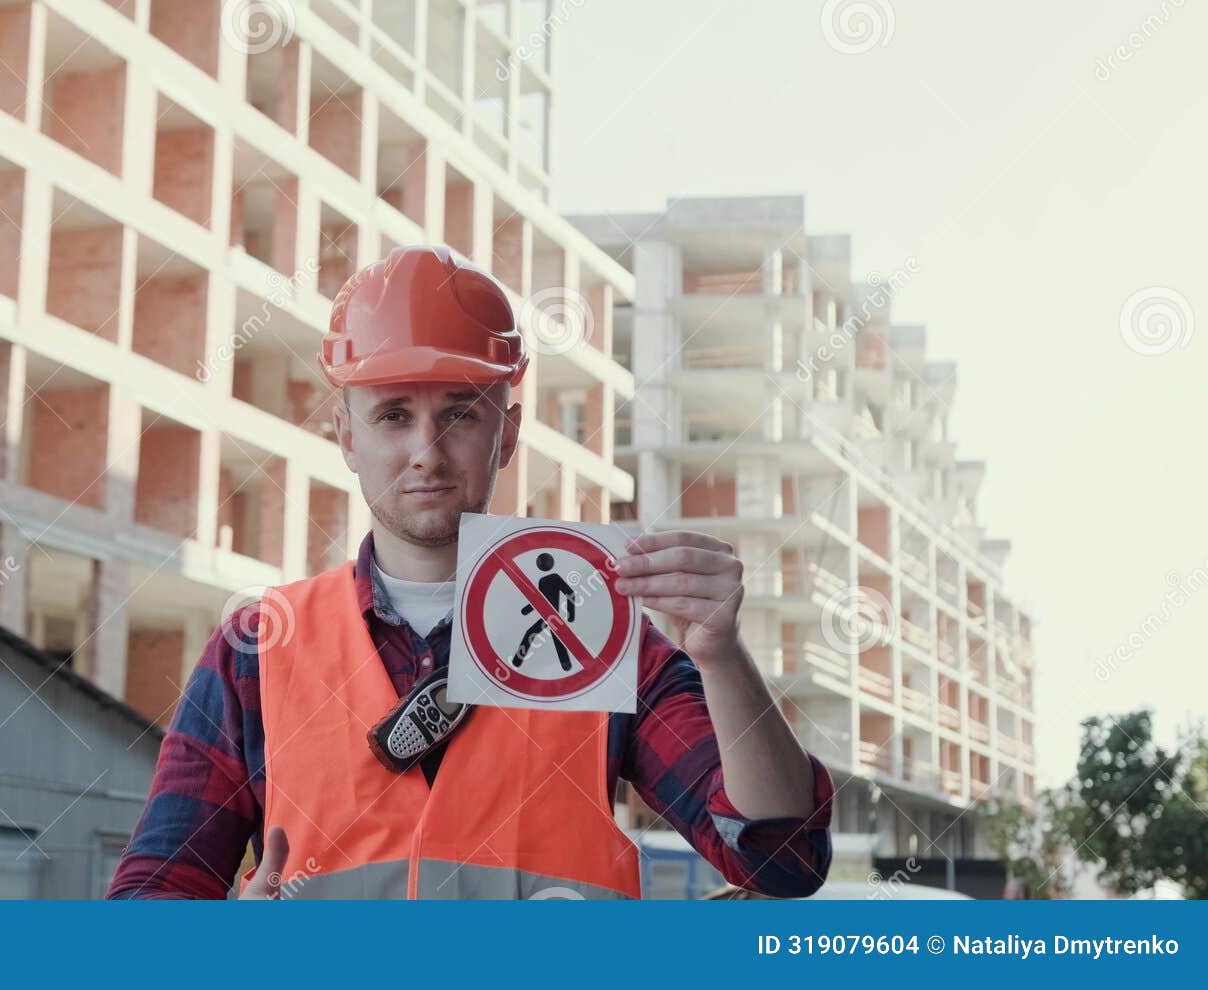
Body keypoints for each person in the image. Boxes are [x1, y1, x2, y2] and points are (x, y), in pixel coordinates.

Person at [107, 246, 833, 900]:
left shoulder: (603, 636)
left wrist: (723, 659)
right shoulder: (259, 647)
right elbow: (149, 903)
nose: (427, 451)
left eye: (460, 414)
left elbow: (782, 859)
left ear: (507, 435)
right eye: (393, 415)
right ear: (347, 436)